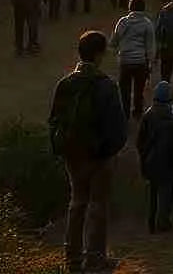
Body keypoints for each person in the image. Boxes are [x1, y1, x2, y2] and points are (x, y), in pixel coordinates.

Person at [49, 31, 128, 273]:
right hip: (100, 155)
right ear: (98, 54)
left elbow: (54, 120)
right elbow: (117, 125)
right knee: (98, 206)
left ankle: (72, 258)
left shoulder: (65, 84)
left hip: (73, 154)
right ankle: (95, 258)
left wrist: (61, 148)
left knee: (77, 203)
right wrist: (110, 150)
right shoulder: (106, 85)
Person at [137, 81, 173, 233]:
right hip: (169, 160)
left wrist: (143, 157)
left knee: (153, 192)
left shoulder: (148, 115)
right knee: (166, 192)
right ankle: (163, 222)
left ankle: (151, 222)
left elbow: (140, 141)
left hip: (151, 160)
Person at [110, 0, 156, 119]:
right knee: (139, 90)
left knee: (124, 91)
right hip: (140, 61)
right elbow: (150, 46)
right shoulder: (147, 24)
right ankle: (137, 112)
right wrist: (151, 62)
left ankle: (125, 113)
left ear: (130, 8)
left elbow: (114, 41)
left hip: (125, 61)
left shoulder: (122, 22)